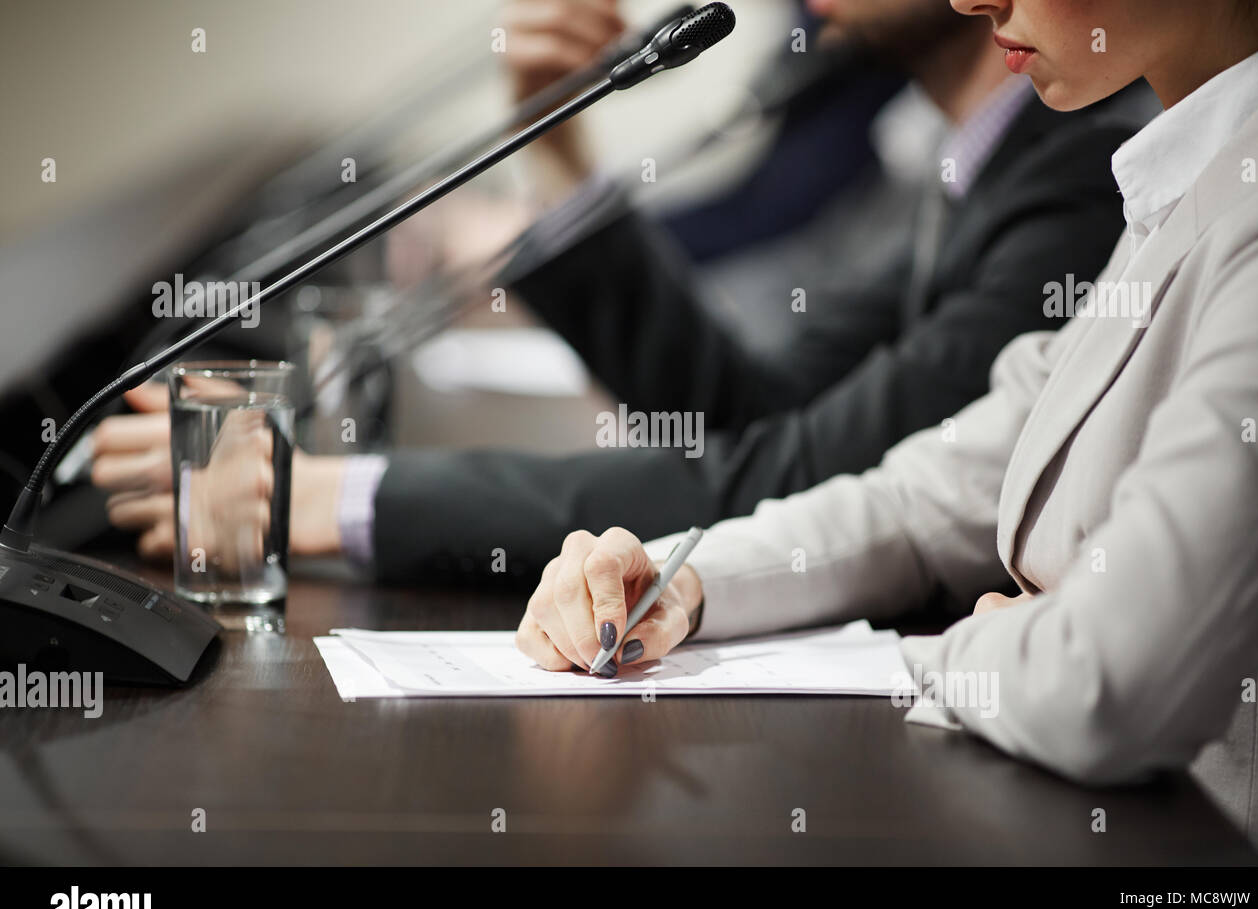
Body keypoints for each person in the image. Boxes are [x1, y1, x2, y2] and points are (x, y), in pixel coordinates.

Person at [513, 0, 1258, 865]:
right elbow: (938, 491)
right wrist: (682, 580)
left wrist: (967, 645)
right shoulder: (1191, 172)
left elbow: (1110, 684)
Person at [90, 0, 1145, 585]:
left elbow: (791, 472)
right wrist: (554, 145)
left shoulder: (1077, 183)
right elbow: (753, 405)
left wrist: (329, 495)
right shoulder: (978, 165)